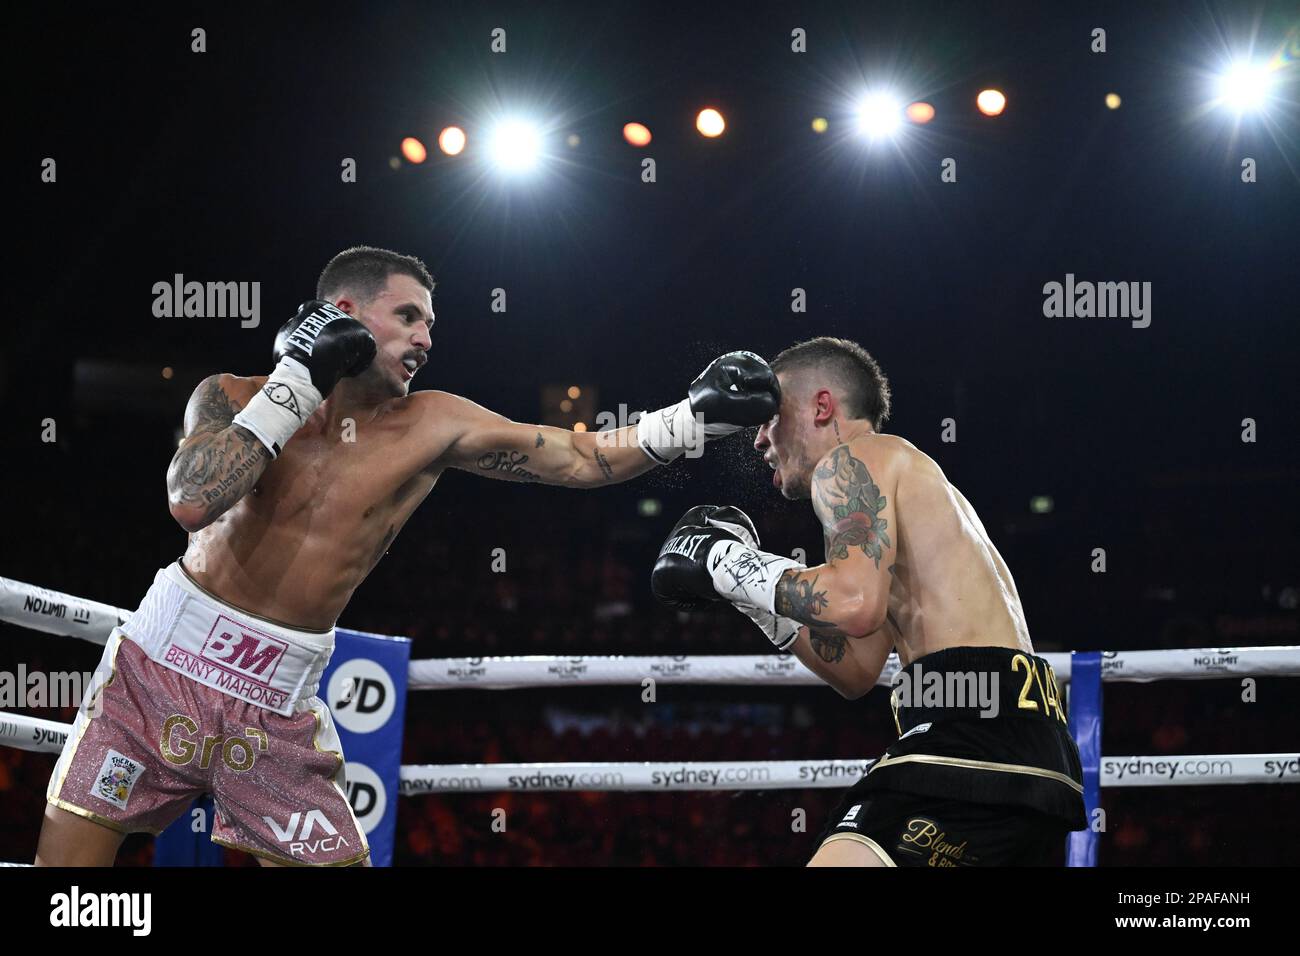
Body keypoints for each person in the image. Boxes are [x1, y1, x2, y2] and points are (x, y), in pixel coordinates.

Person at [37, 245, 778, 866]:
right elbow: (194, 500)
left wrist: (692, 419)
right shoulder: (231, 393)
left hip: (279, 700)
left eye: (431, 323)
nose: (427, 337)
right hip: (160, 669)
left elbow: (580, 456)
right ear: (346, 316)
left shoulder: (434, 425)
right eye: (409, 316)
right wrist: (298, 381)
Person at [652, 336, 1086, 866]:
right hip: (1018, 747)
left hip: (971, 737)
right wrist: (749, 597)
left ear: (822, 405)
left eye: (769, 414)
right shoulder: (895, 489)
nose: (760, 438)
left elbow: (854, 603)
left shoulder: (853, 461)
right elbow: (856, 667)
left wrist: (724, 561)